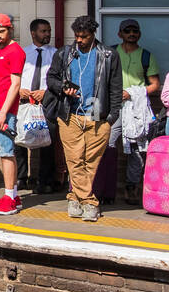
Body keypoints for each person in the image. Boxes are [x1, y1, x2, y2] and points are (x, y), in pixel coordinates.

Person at [45, 15, 122, 223]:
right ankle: (89, 202)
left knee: (91, 162)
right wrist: (63, 87)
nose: (79, 40)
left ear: (93, 34)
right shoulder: (64, 54)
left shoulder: (108, 55)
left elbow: (116, 88)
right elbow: (51, 78)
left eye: (84, 36)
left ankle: (74, 197)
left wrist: (112, 117)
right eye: (77, 36)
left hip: (98, 116)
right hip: (70, 114)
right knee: (74, 159)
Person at [114, 18, 161, 204]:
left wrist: (133, 93)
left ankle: (131, 188)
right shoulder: (112, 53)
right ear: (120, 34)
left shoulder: (146, 56)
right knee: (106, 144)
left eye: (135, 31)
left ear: (139, 34)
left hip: (136, 107)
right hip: (114, 106)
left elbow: (155, 84)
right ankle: (104, 187)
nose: (131, 34)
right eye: (127, 31)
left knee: (136, 149)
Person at [0, 14, 26, 215]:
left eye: (1, 32)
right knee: (3, 152)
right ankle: (13, 195)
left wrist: (2, 113)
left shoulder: (16, 51)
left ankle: (9, 198)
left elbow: (15, 84)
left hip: (4, 110)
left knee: (6, 153)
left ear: (10, 29)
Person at [17, 18, 59, 193]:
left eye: (49, 31)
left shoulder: (55, 54)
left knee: (47, 142)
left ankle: (45, 181)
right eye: (43, 31)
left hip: (46, 103)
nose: (47, 34)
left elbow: (59, 79)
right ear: (33, 33)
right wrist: (19, 89)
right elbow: (14, 76)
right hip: (25, 103)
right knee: (19, 140)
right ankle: (20, 178)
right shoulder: (23, 53)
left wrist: (46, 92)